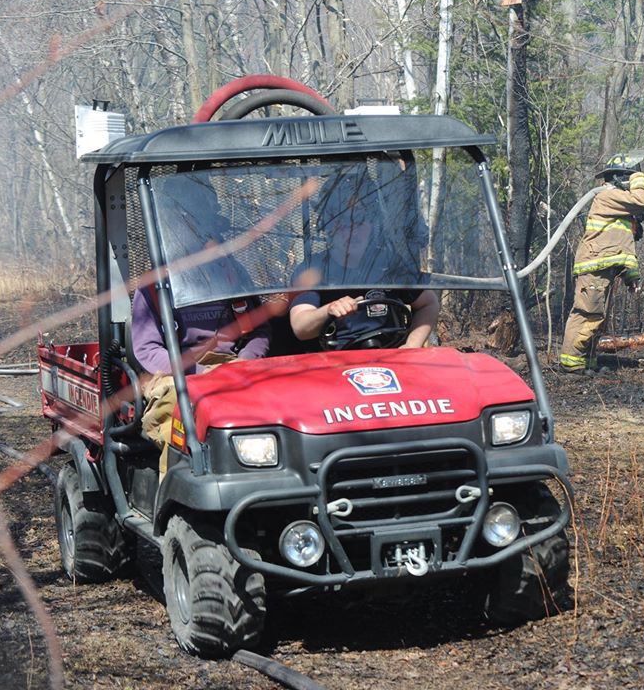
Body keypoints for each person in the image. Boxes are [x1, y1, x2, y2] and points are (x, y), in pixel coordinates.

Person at [131, 183, 271, 477]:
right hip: (176, 371)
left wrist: (246, 363)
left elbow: (259, 329)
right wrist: (193, 373)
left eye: (205, 226)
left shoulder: (231, 273)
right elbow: (146, 348)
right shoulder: (155, 284)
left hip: (233, 365)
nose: (202, 236)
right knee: (175, 408)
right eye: (190, 225)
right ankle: (177, 489)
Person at [289, 196, 439, 349]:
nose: (353, 230)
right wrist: (329, 310)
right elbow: (300, 327)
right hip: (332, 363)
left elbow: (428, 303)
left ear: (372, 224)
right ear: (328, 227)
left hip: (390, 359)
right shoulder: (311, 269)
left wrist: (412, 345)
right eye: (344, 222)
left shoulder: (390, 263)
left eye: (360, 220)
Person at [558, 151, 644, 376]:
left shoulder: (619, 206)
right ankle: (572, 363)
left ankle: (587, 361)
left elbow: (623, 245)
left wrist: (632, 276)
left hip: (603, 268)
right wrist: (640, 179)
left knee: (598, 317)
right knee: (587, 314)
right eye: (630, 176)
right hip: (594, 267)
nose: (633, 182)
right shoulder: (607, 197)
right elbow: (640, 201)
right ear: (620, 177)